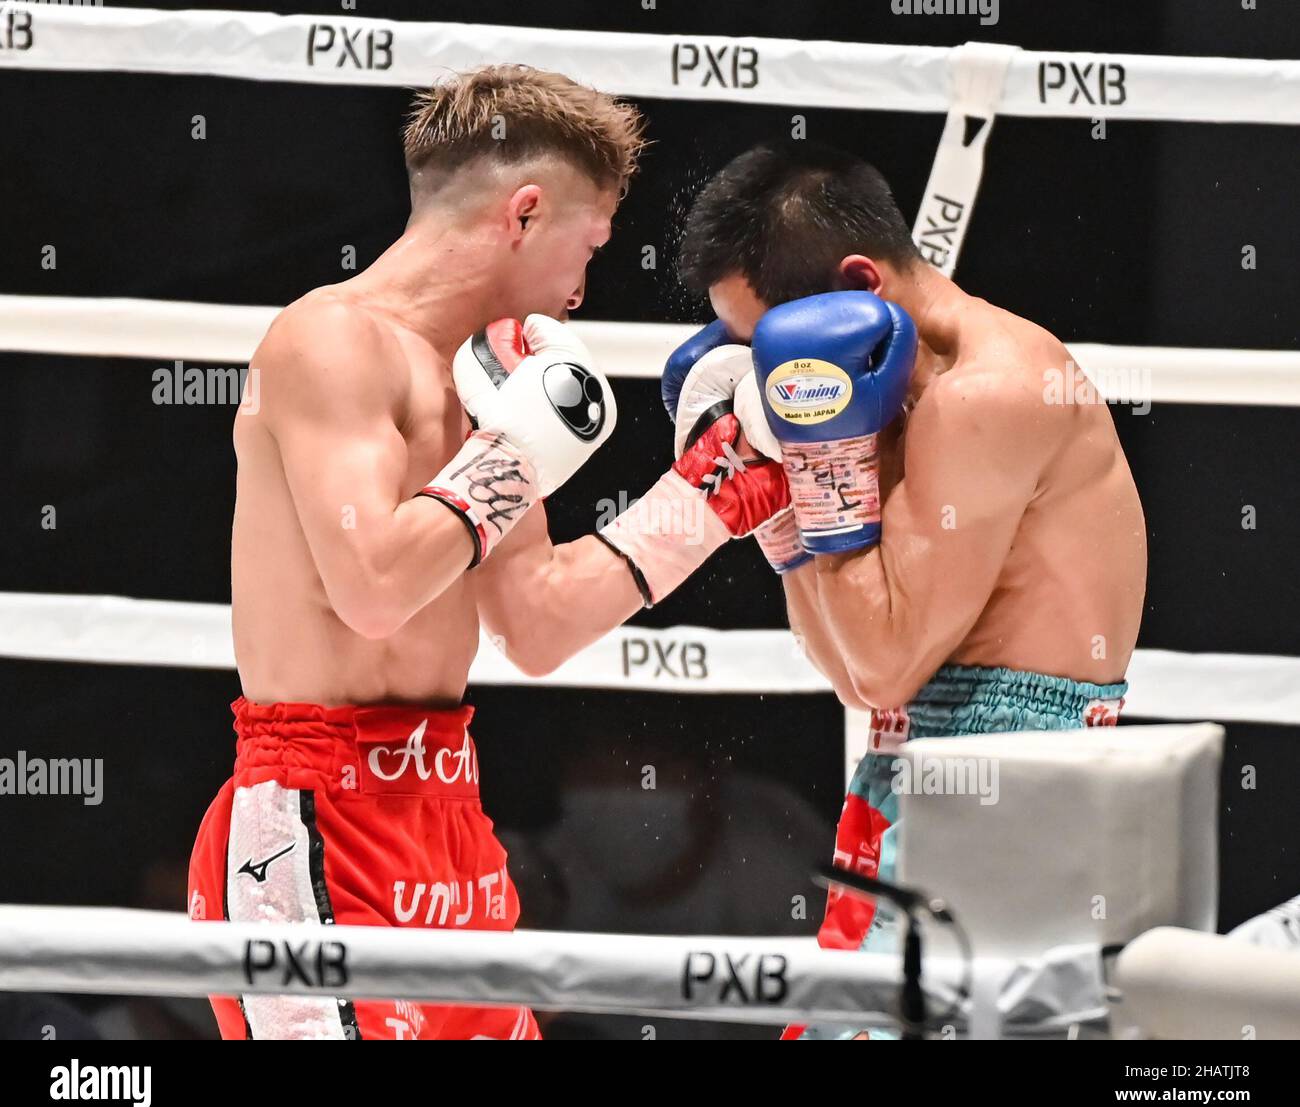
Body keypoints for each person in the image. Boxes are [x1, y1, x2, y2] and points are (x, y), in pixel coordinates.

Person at [187, 66, 790, 1041]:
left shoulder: (487, 383)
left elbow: (538, 621)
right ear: (525, 212)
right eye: (587, 246)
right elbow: (374, 586)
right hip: (315, 819)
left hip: (449, 821)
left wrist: (709, 493)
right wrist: (515, 451)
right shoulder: (328, 342)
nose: (580, 290)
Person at [674, 141, 1147, 1038]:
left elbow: (886, 664)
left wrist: (816, 462)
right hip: (911, 772)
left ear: (859, 284)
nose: (761, 378)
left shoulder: (988, 392)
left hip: (1002, 792)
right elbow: (854, 673)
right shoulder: (892, 400)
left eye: (766, 345)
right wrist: (783, 515)